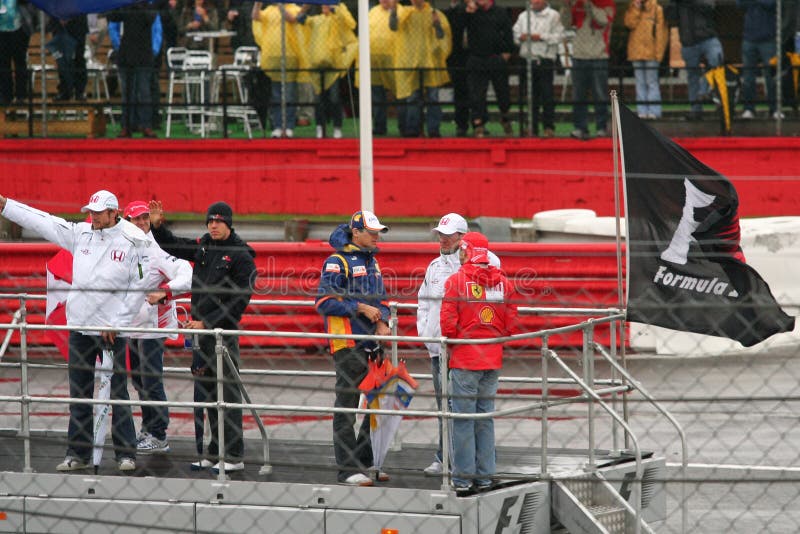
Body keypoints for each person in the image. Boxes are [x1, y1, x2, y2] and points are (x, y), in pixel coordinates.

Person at [0, 190, 148, 472]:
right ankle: (76, 453)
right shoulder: (80, 234)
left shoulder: (135, 240)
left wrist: (117, 323)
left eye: (98, 213)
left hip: (112, 332)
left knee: (118, 393)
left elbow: (138, 289)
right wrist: (6, 206)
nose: (92, 217)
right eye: (90, 211)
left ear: (113, 212)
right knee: (78, 393)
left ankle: (125, 454)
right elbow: (42, 221)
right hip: (80, 327)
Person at [148, 199, 255, 473]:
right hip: (201, 333)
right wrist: (158, 227)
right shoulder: (205, 246)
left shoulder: (242, 255)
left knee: (227, 395)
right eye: (210, 221)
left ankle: (233, 455)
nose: (213, 225)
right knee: (208, 394)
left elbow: (239, 301)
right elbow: (173, 245)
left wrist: (208, 322)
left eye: (218, 221)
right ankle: (214, 452)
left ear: (229, 223)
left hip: (221, 334)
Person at [417, 214, 500, 476]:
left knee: (472, 410)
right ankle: (445, 458)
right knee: (446, 408)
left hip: (469, 350)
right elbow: (424, 303)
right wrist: (427, 336)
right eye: (440, 234)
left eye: (448, 234)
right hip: (439, 350)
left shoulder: (489, 262)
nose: (442, 239)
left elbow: (498, 302)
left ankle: (476, 463)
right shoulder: (434, 266)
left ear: (463, 237)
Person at [315, 210, 392, 487]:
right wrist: (359, 307)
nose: (375, 236)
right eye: (371, 232)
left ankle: (365, 461)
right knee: (346, 407)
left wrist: (383, 320)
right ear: (355, 233)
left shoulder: (374, 262)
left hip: (372, 344)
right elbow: (323, 302)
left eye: (378, 232)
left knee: (378, 404)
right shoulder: (337, 261)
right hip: (347, 343)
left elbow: (382, 299)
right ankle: (347, 470)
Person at [439, 231, 520, 494]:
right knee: (485, 419)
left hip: (464, 360)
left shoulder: (456, 281)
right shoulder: (504, 283)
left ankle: (463, 480)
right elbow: (512, 325)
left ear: (468, 250)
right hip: (492, 359)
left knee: (462, 420)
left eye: (462, 249)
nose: (460, 253)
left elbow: (447, 325)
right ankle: (485, 477)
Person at [123, 200, 192, 455]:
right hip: (130, 326)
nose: (140, 223)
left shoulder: (156, 248)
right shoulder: (121, 245)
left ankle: (159, 434)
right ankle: (148, 427)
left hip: (153, 327)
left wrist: (165, 292)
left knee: (151, 381)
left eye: (144, 218)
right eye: (135, 219)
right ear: (126, 221)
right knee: (139, 381)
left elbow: (186, 272)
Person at [452, 0, 515, 138]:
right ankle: (478, 124)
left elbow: (508, 33)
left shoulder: (500, 12)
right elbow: (458, 28)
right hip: (476, 58)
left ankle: (505, 117)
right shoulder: (469, 12)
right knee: (477, 94)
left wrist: (507, 52)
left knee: (502, 92)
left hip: (496, 58)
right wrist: (466, 11)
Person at [390, 0, 452, 138]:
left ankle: (433, 129)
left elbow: (441, 36)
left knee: (433, 97)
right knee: (412, 98)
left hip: (430, 62)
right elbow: (393, 27)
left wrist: (437, 24)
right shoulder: (406, 13)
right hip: (411, 62)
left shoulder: (434, 14)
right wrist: (393, 12)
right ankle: (413, 129)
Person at [252, 1, 307, 138]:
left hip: (289, 55)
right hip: (273, 57)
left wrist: (281, 6)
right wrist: (258, 3)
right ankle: (277, 125)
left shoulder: (294, 9)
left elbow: (291, 19)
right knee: (276, 93)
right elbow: (255, 16)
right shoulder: (269, 10)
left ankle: (288, 126)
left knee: (289, 93)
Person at [562, 0, 616, 139]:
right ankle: (580, 127)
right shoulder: (577, 5)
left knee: (600, 94)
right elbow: (566, 23)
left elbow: (603, 20)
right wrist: (566, 6)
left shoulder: (607, 4)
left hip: (599, 56)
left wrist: (589, 5)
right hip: (579, 56)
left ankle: (601, 127)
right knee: (578, 95)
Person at [108, 2, 163, 138]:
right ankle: (127, 126)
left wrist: (137, 5)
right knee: (127, 93)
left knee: (144, 92)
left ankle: (146, 125)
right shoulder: (125, 7)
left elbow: (150, 19)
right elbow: (113, 17)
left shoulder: (149, 8)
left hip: (144, 54)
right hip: (126, 54)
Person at [304, 3, 357, 139]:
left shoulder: (337, 19)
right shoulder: (317, 20)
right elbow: (301, 20)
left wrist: (336, 9)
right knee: (319, 99)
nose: (325, 6)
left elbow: (351, 24)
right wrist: (304, 7)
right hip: (317, 65)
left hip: (333, 65)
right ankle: (320, 127)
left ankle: (337, 127)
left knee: (334, 98)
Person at [513, 0, 564, 137]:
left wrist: (540, 37)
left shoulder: (554, 16)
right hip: (526, 60)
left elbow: (558, 37)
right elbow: (515, 34)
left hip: (545, 60)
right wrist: (521, 38)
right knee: (529, 96)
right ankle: (531, 127)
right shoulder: (523, 15)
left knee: (547, 95)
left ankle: (548, 127)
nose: (534, 2)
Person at [666, 0, 723, 121]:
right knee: (692, 76)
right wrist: (673, 3)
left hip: (708, 37)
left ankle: (704, 91)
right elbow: (670, 17)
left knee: (716, 62)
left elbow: (710, 7)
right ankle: (696, 110)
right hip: (688, 41)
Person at [624, 0, 668, 119]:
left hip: (651, 52)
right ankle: (642, 111)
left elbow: (661, 33)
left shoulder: (657, 9)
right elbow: (629, 23)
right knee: (640, 83)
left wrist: (659, 54)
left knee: (651, 82)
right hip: (636, 52)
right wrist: (636, 9)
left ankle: (654, 111)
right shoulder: (633, 7)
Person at [737, 0, 780, 119]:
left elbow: (771, 4)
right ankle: (749, 109)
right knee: (748, 77)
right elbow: (740, 4)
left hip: (768, 39)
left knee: (771, 76)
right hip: (749, 38)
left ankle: (775, 109)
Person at [365, 0, 399, 136]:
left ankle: (406, 127)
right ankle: (379, 126)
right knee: (377, 94)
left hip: (395, 60)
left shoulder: (401, 11)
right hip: (374, 61)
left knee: (401, 94)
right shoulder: (372, 12)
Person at [46, 14, 89, 101]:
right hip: (58, 24)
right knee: (61, 60)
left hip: (78, 23)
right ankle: (64, 90)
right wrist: (59, 17)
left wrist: (68, 16)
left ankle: (79, 91)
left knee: (79, 57)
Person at [444, 0, 471, 136]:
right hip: (456, 59)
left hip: (473, 58)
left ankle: (479, 123)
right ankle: (461, 124)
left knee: (476, 92)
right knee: (460, 92)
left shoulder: (472, 11)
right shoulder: (447, 14)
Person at [0, 0, 34, 105]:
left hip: (18, 30)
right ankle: (6, 95)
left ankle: (21, 95)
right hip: (2, 32)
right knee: (3, 64)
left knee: (20, 62)